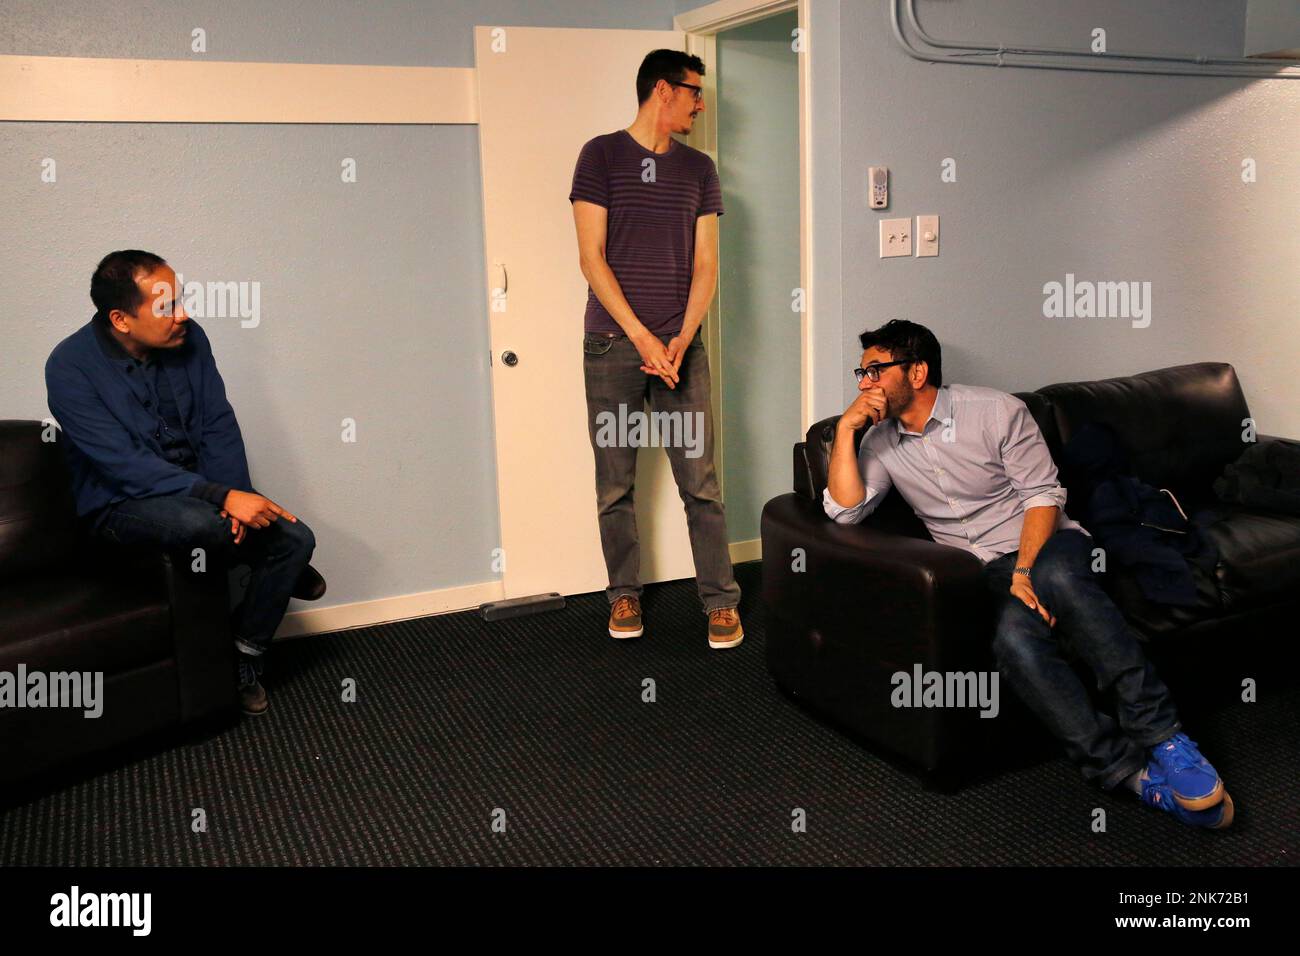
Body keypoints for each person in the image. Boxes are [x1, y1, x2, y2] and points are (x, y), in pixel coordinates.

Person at [824, 319, 1233, 828]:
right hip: (980, 570)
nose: (863, 383)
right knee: (1015, 644)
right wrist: (845, 430)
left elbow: (1043, 495)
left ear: (918, 371)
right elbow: (846, 512)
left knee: (1059, 581)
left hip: (1049, 544)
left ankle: (1164, 737)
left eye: (874, 370)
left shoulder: (994, 411)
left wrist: (1024, 569)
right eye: (861, 372)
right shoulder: (879, 441)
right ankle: (1128, 773)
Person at [45, 250, 322, 716]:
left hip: (199, 491)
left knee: (297, 538)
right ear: (122, 319)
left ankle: (243, 656)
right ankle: (262, 557)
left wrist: (238, 492)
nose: (183, 314)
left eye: (181, 299)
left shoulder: (190, 341)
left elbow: (218, 423)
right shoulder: (69, 367)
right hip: (120, 502)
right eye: (166, 306)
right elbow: (122, 464)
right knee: (204, 524)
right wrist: (221, 498)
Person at [569, 49, 742, 649]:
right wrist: (644, 338)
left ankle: (720, 601)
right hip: (615, 347)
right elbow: (591, 259)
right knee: (615, 483)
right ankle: (623, 594)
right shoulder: (600, 155)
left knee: (701, 483)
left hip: (681, 352)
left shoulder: (700, 169)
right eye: (695, 91)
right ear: (663, 91)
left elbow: (707, 266)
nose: (701, 103)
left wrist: (680, 339)